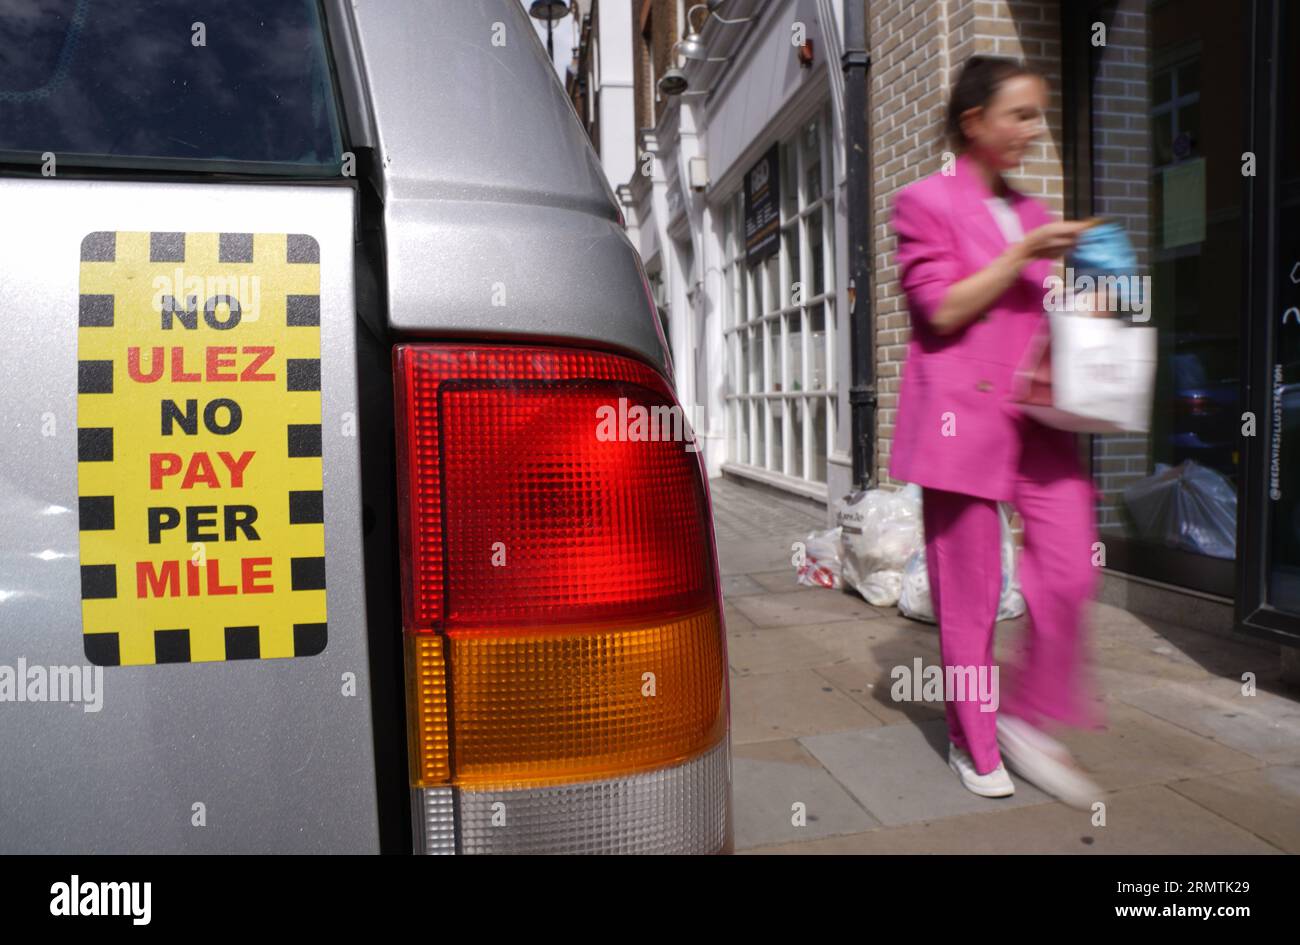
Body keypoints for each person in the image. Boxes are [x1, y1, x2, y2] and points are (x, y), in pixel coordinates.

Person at [889, 55, 1105, 808]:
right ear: (974, 121)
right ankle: (972, 738)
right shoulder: (924, 203)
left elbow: (1040, 312)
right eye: (1020, 114)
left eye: (1039, 115)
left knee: (1073, 570)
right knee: (971, 598)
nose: (1034, 130)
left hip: (1038, 423)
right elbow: (941, 309)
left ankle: (1022, 711)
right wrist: (1020, 256)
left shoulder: (1037, 213)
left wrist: (1084, 299)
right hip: (960, 423)